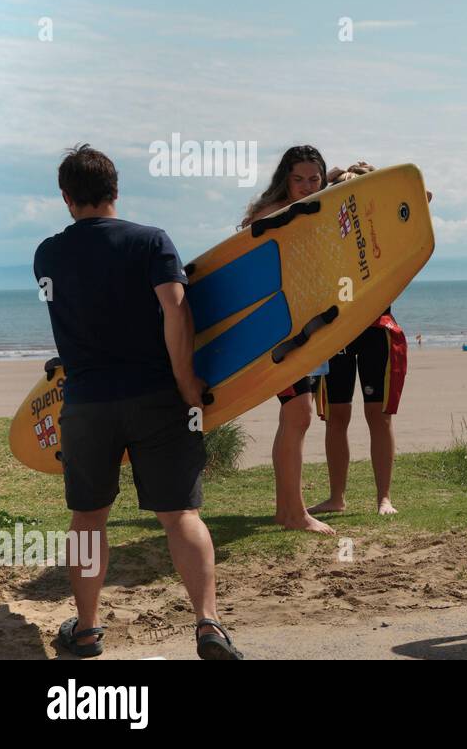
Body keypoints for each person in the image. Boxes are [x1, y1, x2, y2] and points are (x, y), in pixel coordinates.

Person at [35, 145, 241, 659]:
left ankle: (85, 630)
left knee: (88, 519)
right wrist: (187, 382)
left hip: (86, 402)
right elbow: (176, 311)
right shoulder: (151, 241)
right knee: (180, 515)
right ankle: (209, 624)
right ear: (115, 190)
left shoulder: (47, 254)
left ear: (66, 198)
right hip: (156, 397)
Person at [239, 145, 335, 535]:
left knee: (297, 414)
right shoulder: (271, 211)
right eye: (299, 179)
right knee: (299, 412)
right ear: (285, 180)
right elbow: (257, 228)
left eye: (315, 179)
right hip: (279, 328)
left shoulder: (321, 204)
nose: (307, 186)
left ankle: (286, 510)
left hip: (303, 324)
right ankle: (294, 514)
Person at [309, 163, 406, 517]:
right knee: (336, 416)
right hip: (335, 330)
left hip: (376, 329)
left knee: (378, 416)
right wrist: (332, 175)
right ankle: (337, 497)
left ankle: (384, 498)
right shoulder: (325, 229)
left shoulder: (381, 229)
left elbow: (418, 200)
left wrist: (372, 180)